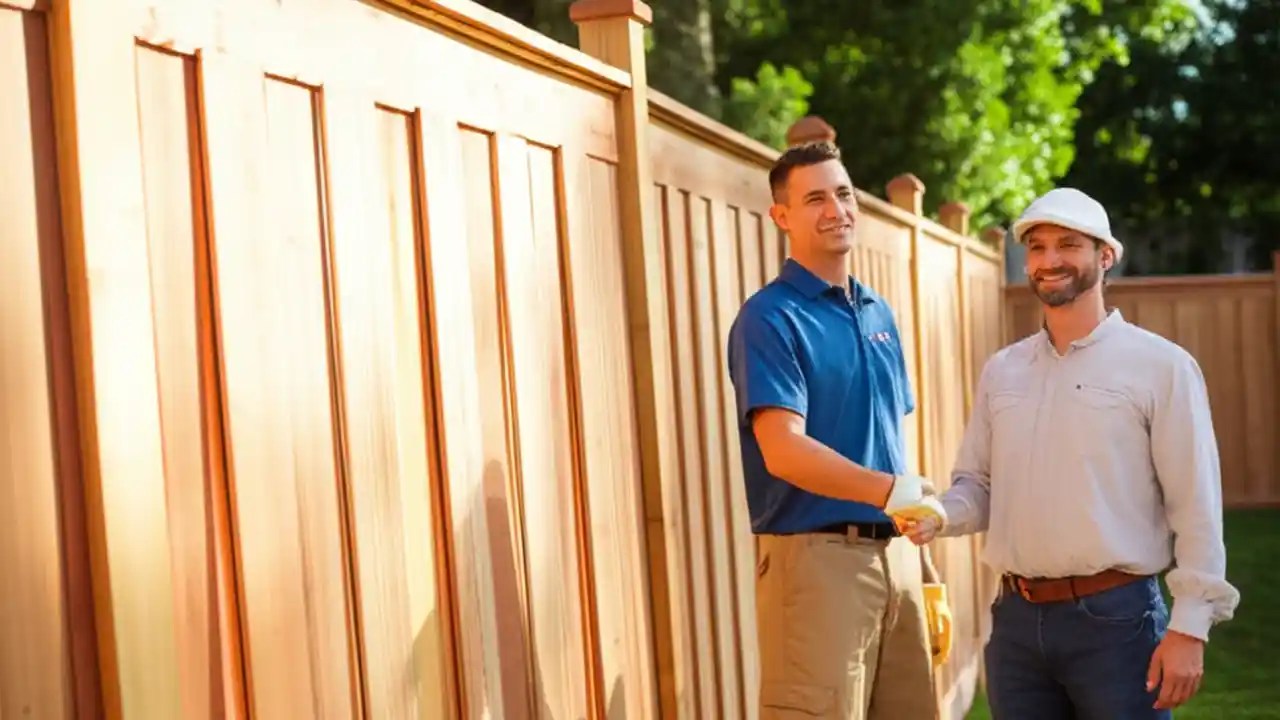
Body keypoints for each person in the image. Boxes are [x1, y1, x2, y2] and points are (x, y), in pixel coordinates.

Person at [903, 187, 1241, 718]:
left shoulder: (1161, 367)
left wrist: (1190, 628)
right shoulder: (1003, 370)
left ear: (1104, 256)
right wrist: (939, 514)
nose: (1050, 260)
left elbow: (1196, 505)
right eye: (1036, 248)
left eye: (1068, 244)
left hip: (1117, 623)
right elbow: (980, 484)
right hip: (1015, 625)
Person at [726, 141, 946, 720]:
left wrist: (920, 567)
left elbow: (890, 447)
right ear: (782, 216)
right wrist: (887, 493)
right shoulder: (770, 318)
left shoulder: (878, 313)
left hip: (895, 560)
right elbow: (783, 450)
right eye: (815, 198)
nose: (836, 209)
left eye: (844, 194)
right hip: (817, 565)